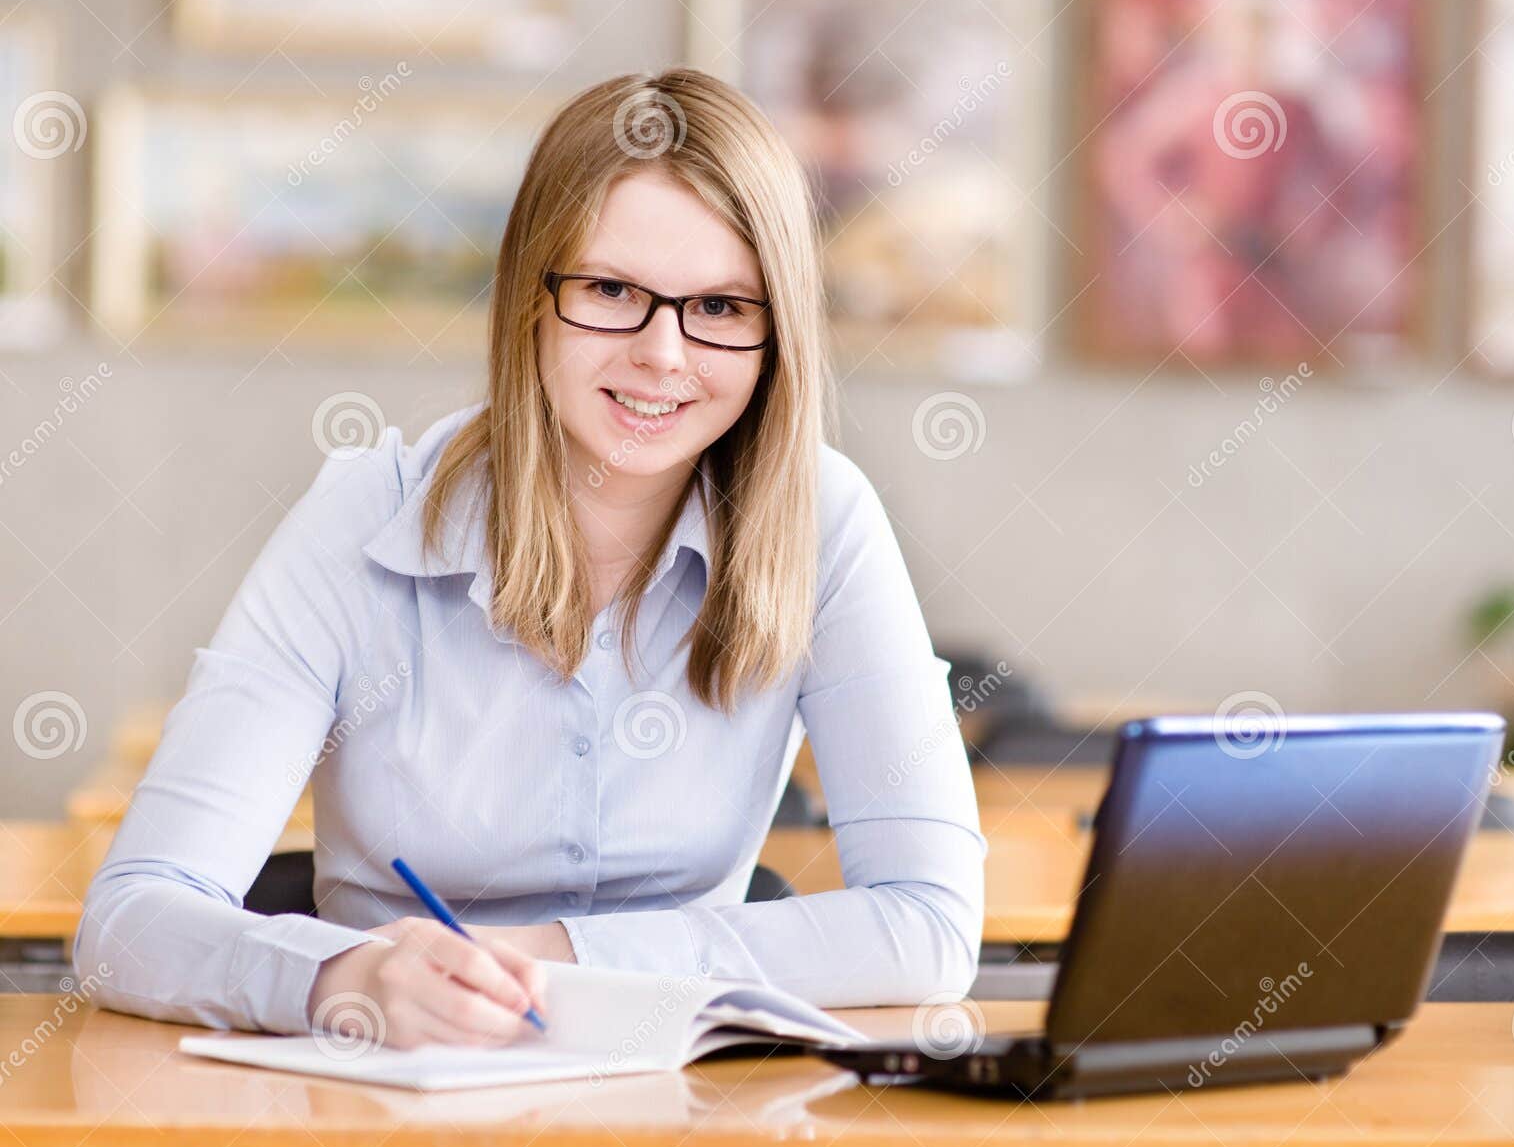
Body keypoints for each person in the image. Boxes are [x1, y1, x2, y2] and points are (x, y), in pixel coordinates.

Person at [74, 68, 986, 1051]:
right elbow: (129, 923)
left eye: (721, 307)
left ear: (777, 336)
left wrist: (545, 957)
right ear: (531, 299)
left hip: (686, 1121)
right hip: (390, 1109)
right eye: (609, 290)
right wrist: (353, 974)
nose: (663, 354)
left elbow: (928, 924)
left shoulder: (823, 520)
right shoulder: (363, 517)